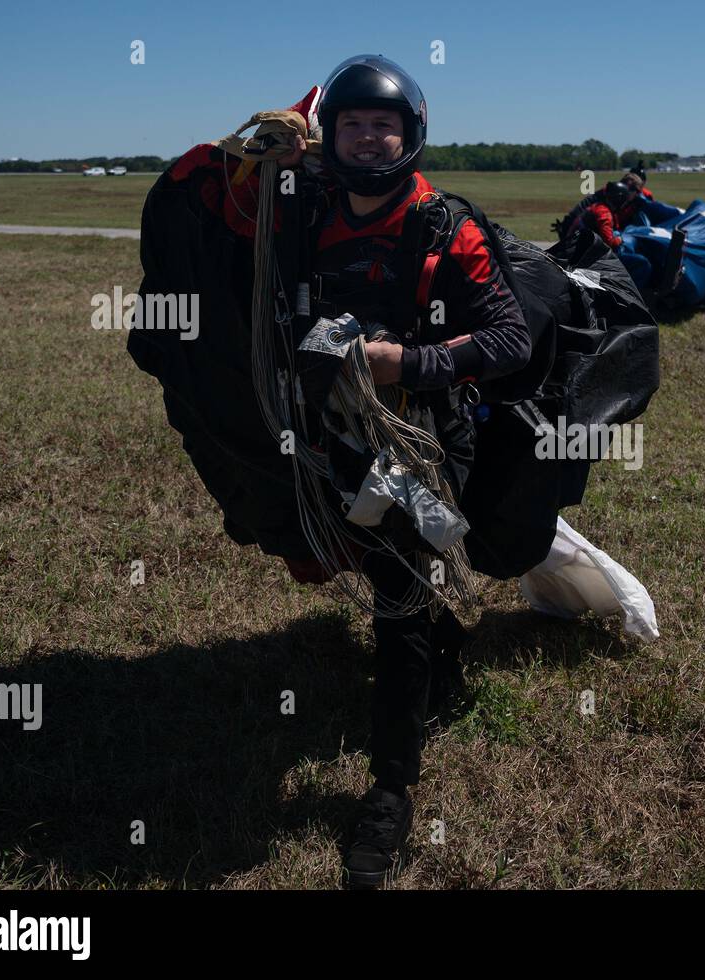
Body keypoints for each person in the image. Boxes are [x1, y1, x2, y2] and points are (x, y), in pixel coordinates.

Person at [142, 54, 531, 888]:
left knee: (395, 593)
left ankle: (389, 793)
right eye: (350, 125)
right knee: (359, 556)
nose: (367, 139)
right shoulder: (303, 206)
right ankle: (445, 644)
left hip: (421, 435)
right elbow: (213, 198)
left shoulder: (446, 226)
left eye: (382, 126)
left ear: (410, 135)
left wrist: (406, 364)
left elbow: (507, 341)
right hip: (323, 431)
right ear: (332, 138)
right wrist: (261, 156)